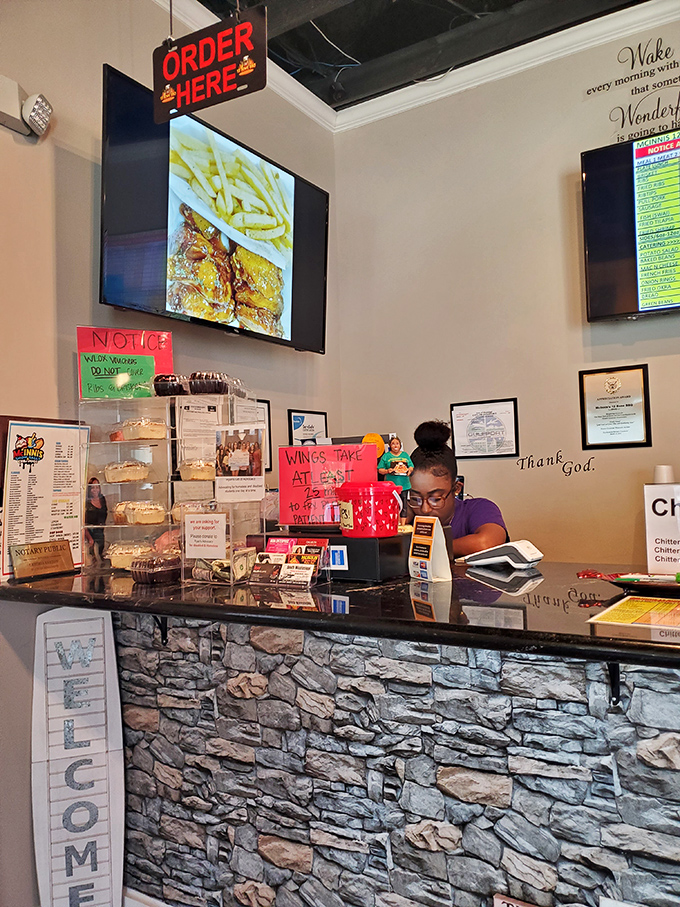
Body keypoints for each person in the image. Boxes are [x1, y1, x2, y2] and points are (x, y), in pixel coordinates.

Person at [408, 420, 507, 557]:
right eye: (415, 498)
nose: (424, 509)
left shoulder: (478, 508)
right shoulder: (406, 517)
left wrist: (423, 549)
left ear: (456, 488)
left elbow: (487, 544)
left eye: (435, 499)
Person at [378, 436, 414, 525]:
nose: (395, 445)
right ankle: (393, 523)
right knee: (392, 505)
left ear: (400, 445)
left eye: (397, 443)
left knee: (404, 505)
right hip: (392, 487)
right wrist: (387, 471)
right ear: (390, 446)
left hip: (404, 485)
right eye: (393, 444)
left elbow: (411, 466)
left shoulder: (405, 455)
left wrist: (409, 470)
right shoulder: (386, 456)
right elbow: (379, 469)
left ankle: (402, 524)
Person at [84, 476, 108, 561]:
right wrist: (90, 538)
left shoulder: (102, 499)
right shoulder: (87, 502)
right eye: (92, 488)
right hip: (90, 532)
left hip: (100, 531)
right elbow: (84, 522)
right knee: (92, 558)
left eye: (97, 487)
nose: (95, 490)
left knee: (101, 555)